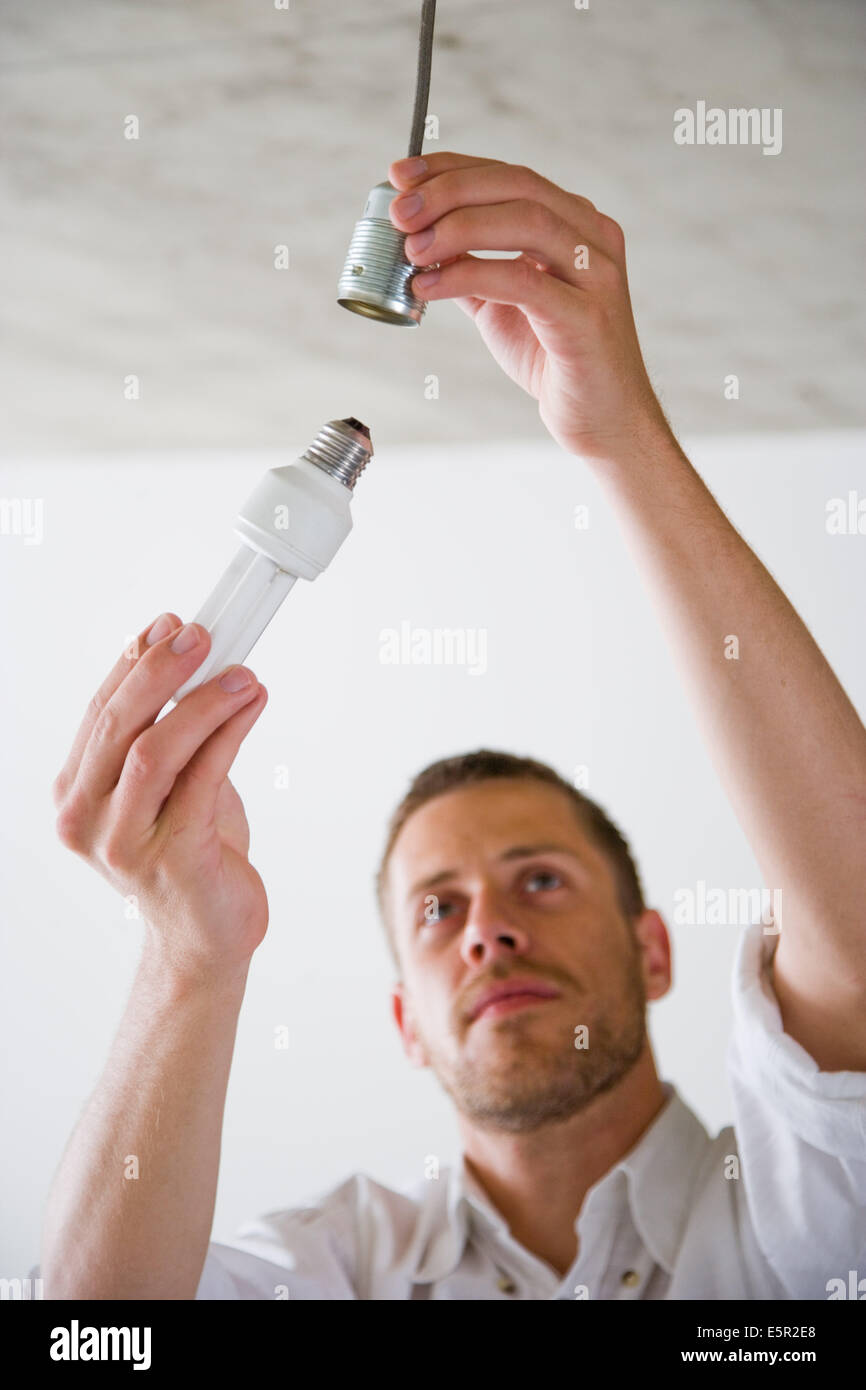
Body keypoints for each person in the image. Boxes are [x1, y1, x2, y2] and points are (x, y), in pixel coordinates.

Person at [39, 152, 866, 1301]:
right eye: (437, 909)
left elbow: (856, 936)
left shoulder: (800, 1233)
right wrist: (187, 957)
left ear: (653, 949)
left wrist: (619, 434)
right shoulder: (337, 1267)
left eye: (538, 882)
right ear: (404, 1023)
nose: (485, 933)